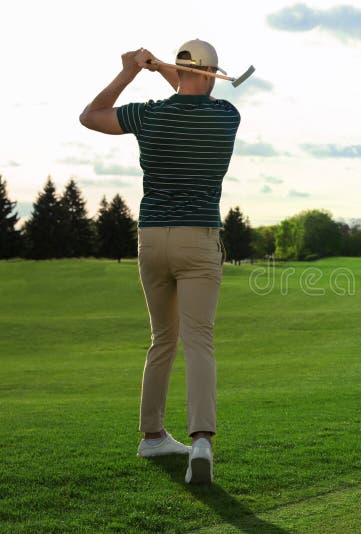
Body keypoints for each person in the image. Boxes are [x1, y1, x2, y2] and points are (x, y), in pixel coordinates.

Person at [79, 40, 240, 484]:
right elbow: (194, 92)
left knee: (162, 340)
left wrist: (132, 71)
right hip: (198, 240)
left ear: (182, 70)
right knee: (199, 341)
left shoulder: (149, 114)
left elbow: (90, 116)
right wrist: (169, 71)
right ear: (212, 75)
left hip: (151, 240)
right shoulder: (226, 117)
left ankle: (152, 436)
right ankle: (201, 440)